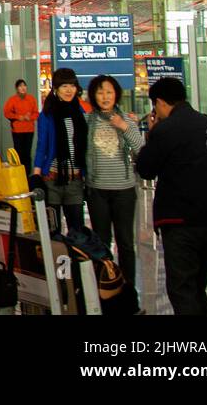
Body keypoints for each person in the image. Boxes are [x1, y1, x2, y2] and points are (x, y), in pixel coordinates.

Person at [136, 76, 207, 315]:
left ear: (161, 102)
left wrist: (151, 135)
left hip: (180, 219)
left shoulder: (165, 129)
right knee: (195, 288)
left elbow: (145, 169)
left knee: (181, 289)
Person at [85, 74, 143, 288]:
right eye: (100, 92)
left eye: (109, 92)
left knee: (126, 242)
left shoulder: (125, 120)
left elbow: (141, 150)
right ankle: (105, 287)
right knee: (101, 242)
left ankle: (128, 289)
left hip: (124, 190)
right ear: (93, 96)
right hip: (97, 190)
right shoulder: (88, 121)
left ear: (116, 94)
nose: (105, 96)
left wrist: (124, 127)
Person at [31, 68, 88, 234]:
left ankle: (76, 259)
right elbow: (42, 145)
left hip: (75, 180)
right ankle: (55, 260)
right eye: (64, 86)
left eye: (72, 85)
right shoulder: (47, 115)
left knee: (77, 230)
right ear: (56, 89)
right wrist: (36, 174)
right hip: (52, 179)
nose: (69, 90)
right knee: (52, 231)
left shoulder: (81, 113)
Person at [3, 79, 38, 165]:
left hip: (29, 130)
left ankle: (27, 173)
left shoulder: (31, 99)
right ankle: (19, 172)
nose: (23, 88)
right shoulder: (12, 100)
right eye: (20, 86)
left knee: (27, 153)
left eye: (24, 85)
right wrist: (19, 117)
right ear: (17, 88)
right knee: (18, 153)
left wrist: (29, 118)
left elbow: (36, 113)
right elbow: (7, 113)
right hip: (17, 131)